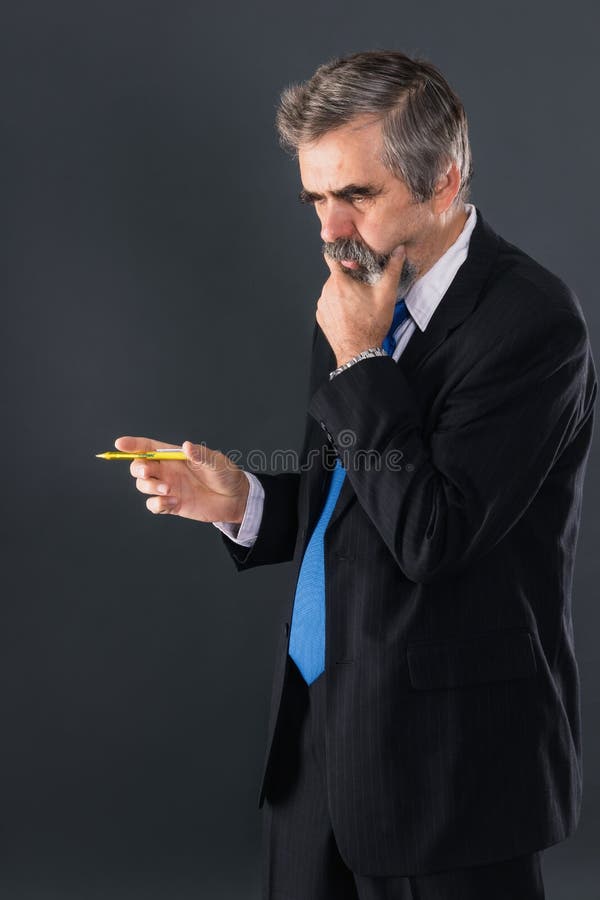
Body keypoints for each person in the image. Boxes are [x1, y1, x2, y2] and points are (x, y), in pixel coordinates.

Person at [115, 50, 597, 900]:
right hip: (315, 745)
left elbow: (433, 534)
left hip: (449, 767)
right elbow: (364, 494)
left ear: (443, 182)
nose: (331, 230)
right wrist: (249, 501)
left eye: (357, 196)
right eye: (316, 200)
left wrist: (361, 357)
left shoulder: (533, 324)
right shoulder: (358, 289)